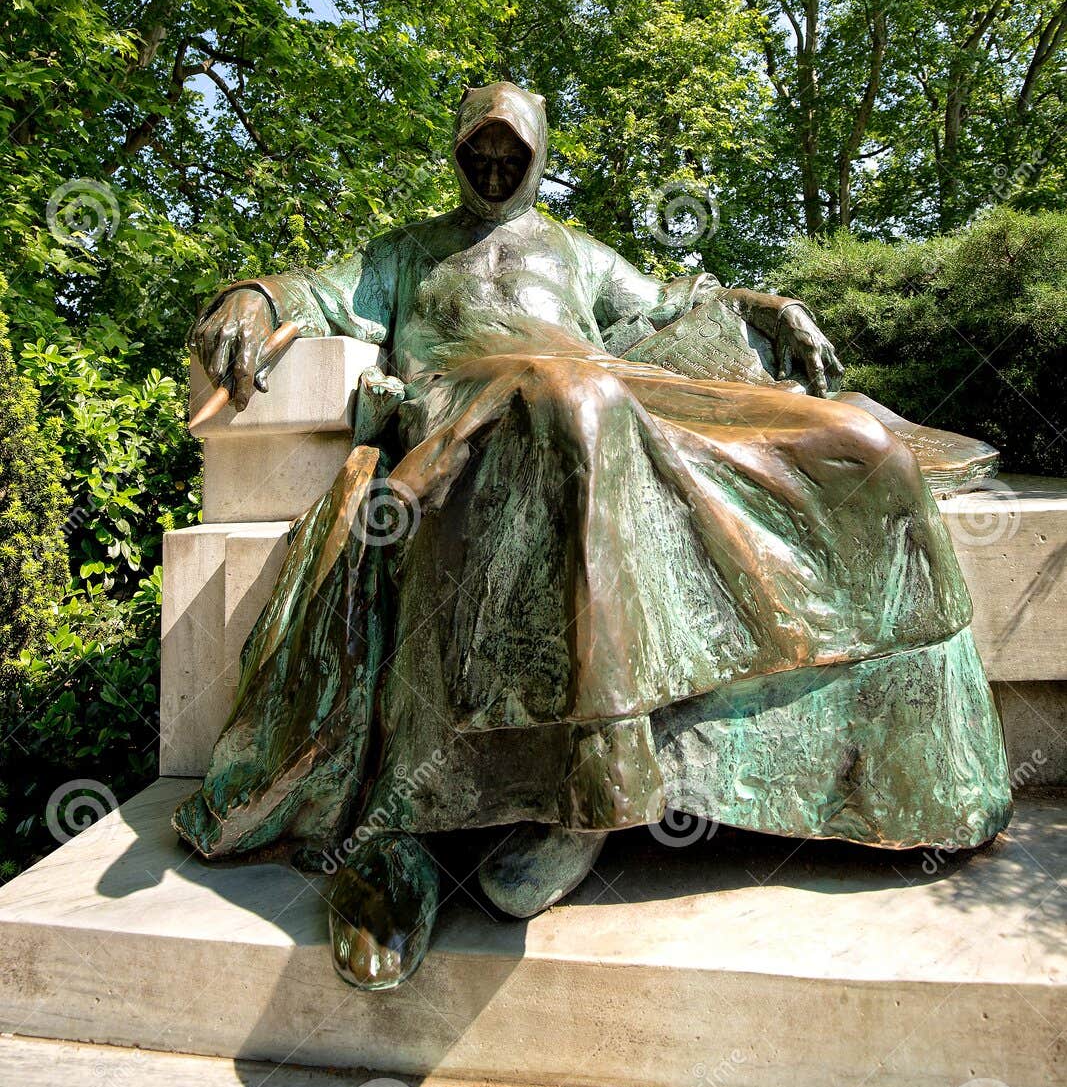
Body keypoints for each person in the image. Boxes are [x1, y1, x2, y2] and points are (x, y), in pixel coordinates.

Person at [176, 81, 1011, 989]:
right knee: (575, 399)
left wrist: (761, 308)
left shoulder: (578, 255)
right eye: (478, 153)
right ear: (457, 155)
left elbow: (662, 309)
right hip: (472, 407)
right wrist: (254, 297)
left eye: (513, 154)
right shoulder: (406, 252)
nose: (494, 169)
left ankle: (878, 775)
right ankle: (489, 816)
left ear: (538, 160)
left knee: (859, 441)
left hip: (598, 402)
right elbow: (317, 290)